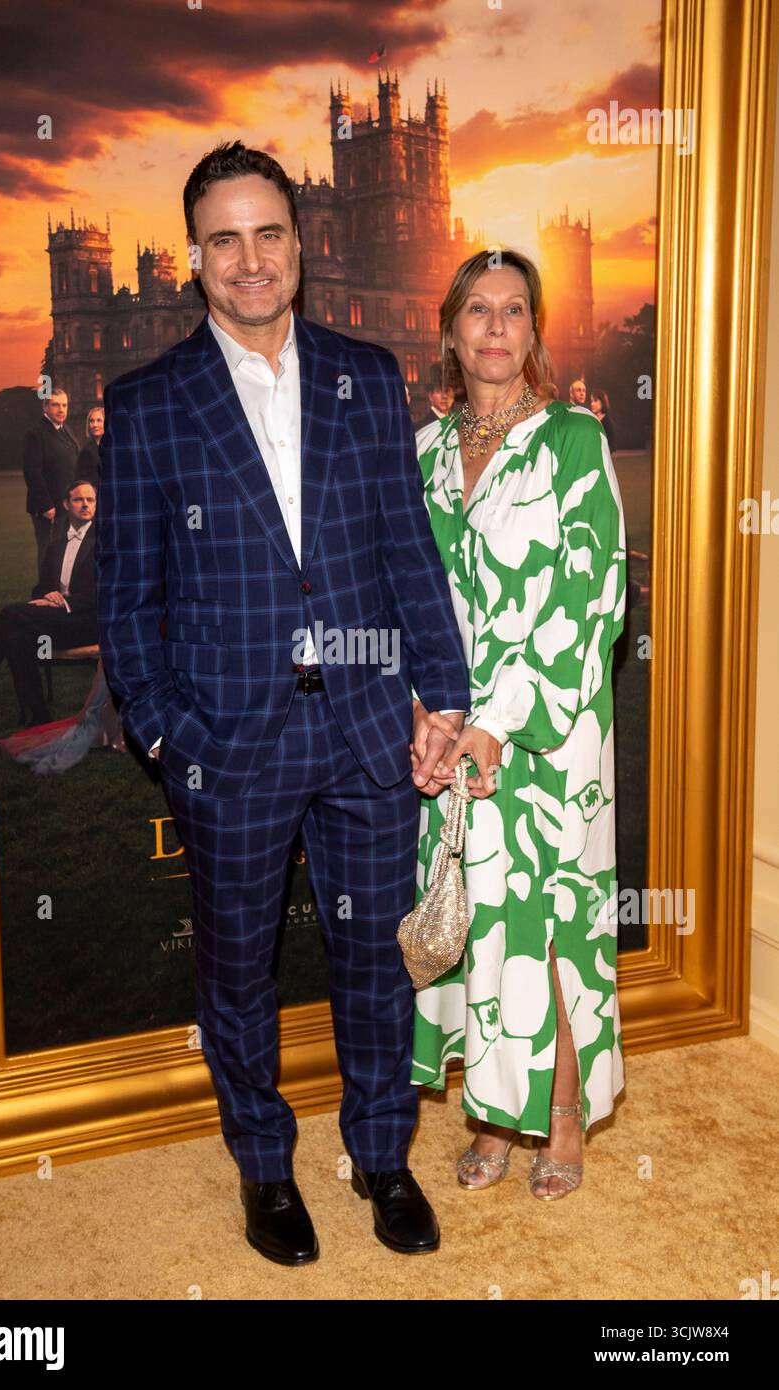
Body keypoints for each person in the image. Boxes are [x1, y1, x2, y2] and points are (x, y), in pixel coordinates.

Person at [95, 140, 470, 1265]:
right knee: (237, 971)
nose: (249, 261)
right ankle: (264, 1168)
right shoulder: (149, 403)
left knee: (370, 960)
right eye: (223, 239)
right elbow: (128, 596)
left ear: (301, 245)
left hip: (366, 729)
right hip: (227, 742)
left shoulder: (368, 375)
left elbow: (407, 552)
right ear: (195, 258)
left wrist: (440, 698)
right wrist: (165, 730)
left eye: (268, 234)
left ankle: (382, 1153)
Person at [408, 249, 627, 1201]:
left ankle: (565, 1116)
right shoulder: (419, 452)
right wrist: (425, 708)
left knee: (552, 929)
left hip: (551, 728)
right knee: (481, 920)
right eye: (478, 312)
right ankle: (498, 1111)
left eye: (514, 312)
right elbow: (405, 592)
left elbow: (591, 599)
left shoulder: (573, 438)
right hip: (452, 730)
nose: (496, 328)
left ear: (534, 331)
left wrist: (496, 722)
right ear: (453, 329)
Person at [0, 480, 98, 726]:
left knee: (10, 613)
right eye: (79, 500)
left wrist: (63, 602)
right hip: (55, 625)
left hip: (87, 623)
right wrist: (48, 596)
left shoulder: (106, 543)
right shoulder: (56, 545)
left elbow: (104, 594)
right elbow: (40, 588)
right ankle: (39, 716)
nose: (85, 505)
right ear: (66, 504)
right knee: (17, 640)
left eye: (90, 500)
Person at [22, 387, 79, 572]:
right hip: (48, 508)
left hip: (65, 506)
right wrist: (46, 505)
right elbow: (32, 472)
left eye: (64, 405)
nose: (61, 410)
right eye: (55, 405)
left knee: (62, 551)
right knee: (48, 551)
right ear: (45, 407)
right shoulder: (36, 433)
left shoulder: (65, 429)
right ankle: (45, 592)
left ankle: (59, 591)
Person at [74, 406, 105, 489]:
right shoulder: (86, 451)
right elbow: (81, 480)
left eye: (99, 420)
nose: (95, 425)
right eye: (92, 421)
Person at [590, 388, 616, 453]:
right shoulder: (591, 420)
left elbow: (612, 445)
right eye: (591, 401)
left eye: (595, 401)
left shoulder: (608, 423)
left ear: (602, 402)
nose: (592, 404)